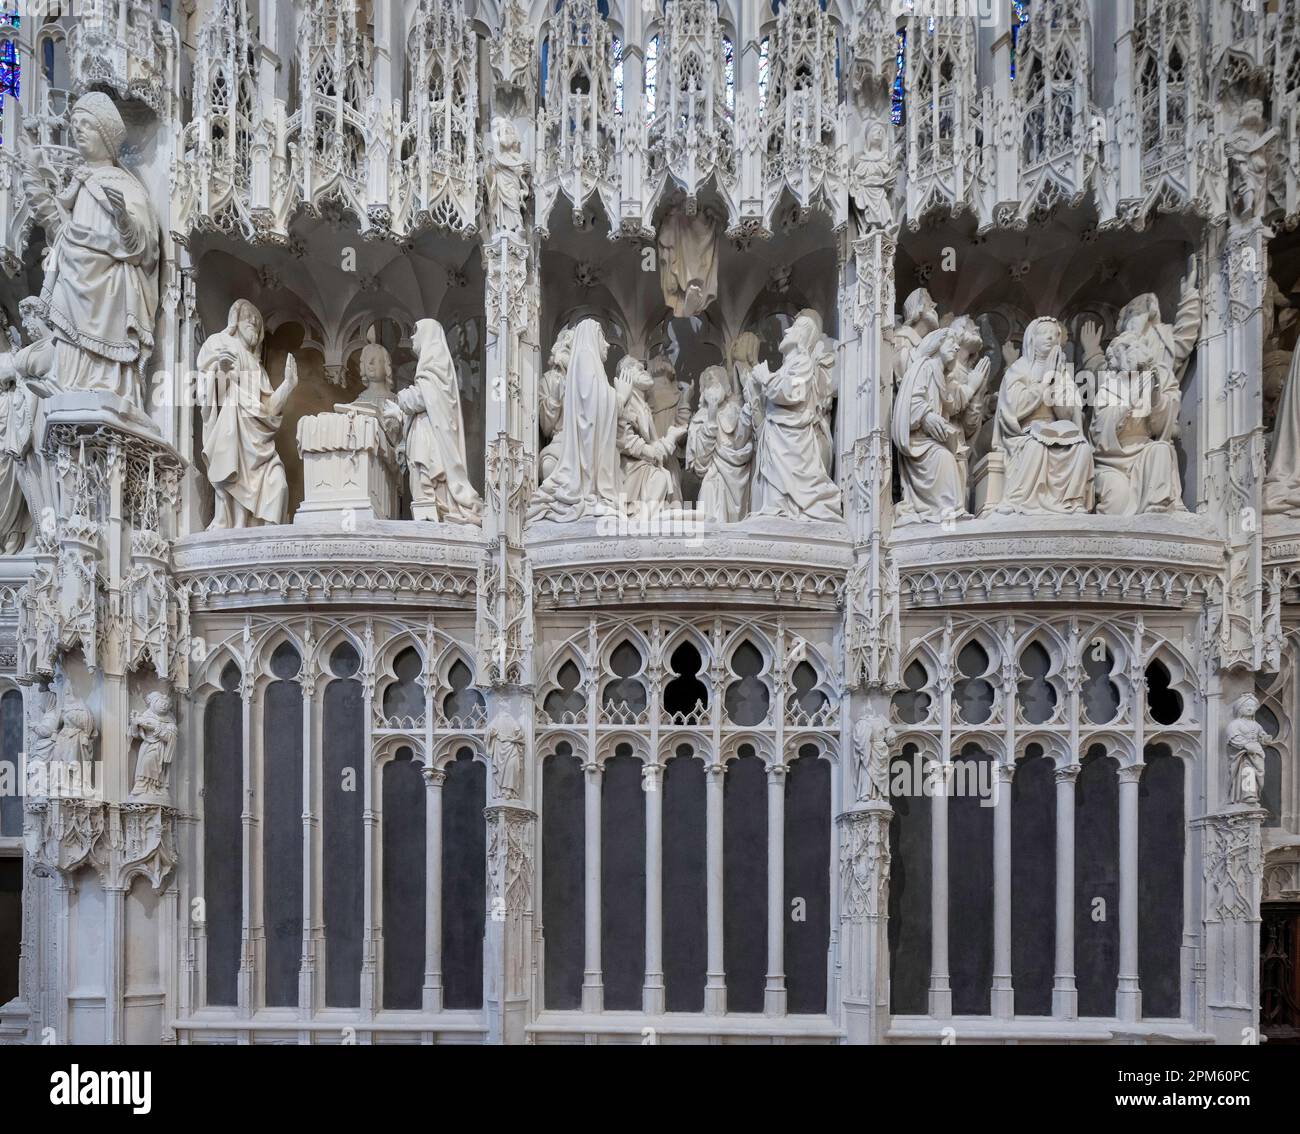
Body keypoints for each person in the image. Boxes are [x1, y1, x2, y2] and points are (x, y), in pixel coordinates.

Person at [9, 93, 159, 410]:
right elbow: (53, 220)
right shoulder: (77, 184)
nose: (78, 131)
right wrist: (30, 171)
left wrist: (122, 218)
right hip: (74, 278)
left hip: (111, 286)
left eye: (87, 125)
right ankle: (67, 381)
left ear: (105, 134)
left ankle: (110, 390)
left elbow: (143, 250)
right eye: (74, 124)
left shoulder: (125, 185)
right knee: (64, 332)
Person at [198, 299, 297, 528]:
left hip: (260, 447)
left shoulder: (257, 368)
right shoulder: (219, 344)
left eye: (257, 321)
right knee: (234, 478)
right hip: (234, 435)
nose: (253, 321)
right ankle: (237, 526)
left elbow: (270, 410)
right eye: (248, 317)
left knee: (278, 484)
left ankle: (268, 540)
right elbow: (210, 398)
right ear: (234, 320)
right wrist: (220, 370)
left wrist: (288, 385)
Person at [383, 318, 483, 524]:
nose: (411, 337)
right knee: (421, 474)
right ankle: (429, 512)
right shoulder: (428, 365)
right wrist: (400, 413)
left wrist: (401, 400)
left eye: (415, 332)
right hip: (424, 430)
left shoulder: (437, 362)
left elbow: (425, 397)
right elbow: (425, 402)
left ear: (427, 336)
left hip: (432, 435)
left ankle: (437, 511)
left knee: (428, 472)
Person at [746, 310, 843, 521]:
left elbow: (794, 392)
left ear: (803, 336)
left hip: (791, 445)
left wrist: (766, 378)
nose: (787, 329)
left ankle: (788, 511)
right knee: (775, 491)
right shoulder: (786, 367)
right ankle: (778, 512)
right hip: (777, 441)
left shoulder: (803, 362)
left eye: (795, 327)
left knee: (787, 486)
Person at [993, 316, 1094, 514]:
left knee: (1082, 448)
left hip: (1057, 430)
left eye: (1055, 334)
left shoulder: (1063, 373)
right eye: (1044, 333)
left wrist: (1056, 385)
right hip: (1024, 432)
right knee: (1036, 445)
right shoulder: (1018, 369)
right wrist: (1043, 384)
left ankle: (1071, 502)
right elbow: (1014, 408)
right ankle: (1018, 500)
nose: (1050, 337)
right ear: (1031, 339)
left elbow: (1068, 415)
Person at [528, 319, 627, 522]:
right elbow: (546, 428)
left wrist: (619, 399)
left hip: (591, 441)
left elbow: (597, 408)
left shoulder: (593, 375)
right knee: (548, 466)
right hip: (561, 443)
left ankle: (595, 494)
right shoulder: (550, 380)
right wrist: (554, 400)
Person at [893, 327, 988, 523]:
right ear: (937, 345)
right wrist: (927, 416)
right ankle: (947, 515)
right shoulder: (925, 367)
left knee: (951, 458)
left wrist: (973, 384)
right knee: (944, 458)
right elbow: (912, 400)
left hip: (934, 440)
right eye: (951, 342)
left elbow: (954, 402)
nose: (956, 346)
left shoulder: (943, 376)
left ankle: (950, 515)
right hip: (919, 441)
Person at [686, 364, 753, 522]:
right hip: (714, 479)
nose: (713, 389)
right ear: (703, 392)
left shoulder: (736, 411)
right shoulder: (699, 419)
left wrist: (749, 398)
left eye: (717, 384)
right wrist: (711, 414)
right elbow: (700, 465)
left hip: (738, 480)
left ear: (727, 388)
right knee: (710, 487)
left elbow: (741, 442)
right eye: (709, 385)